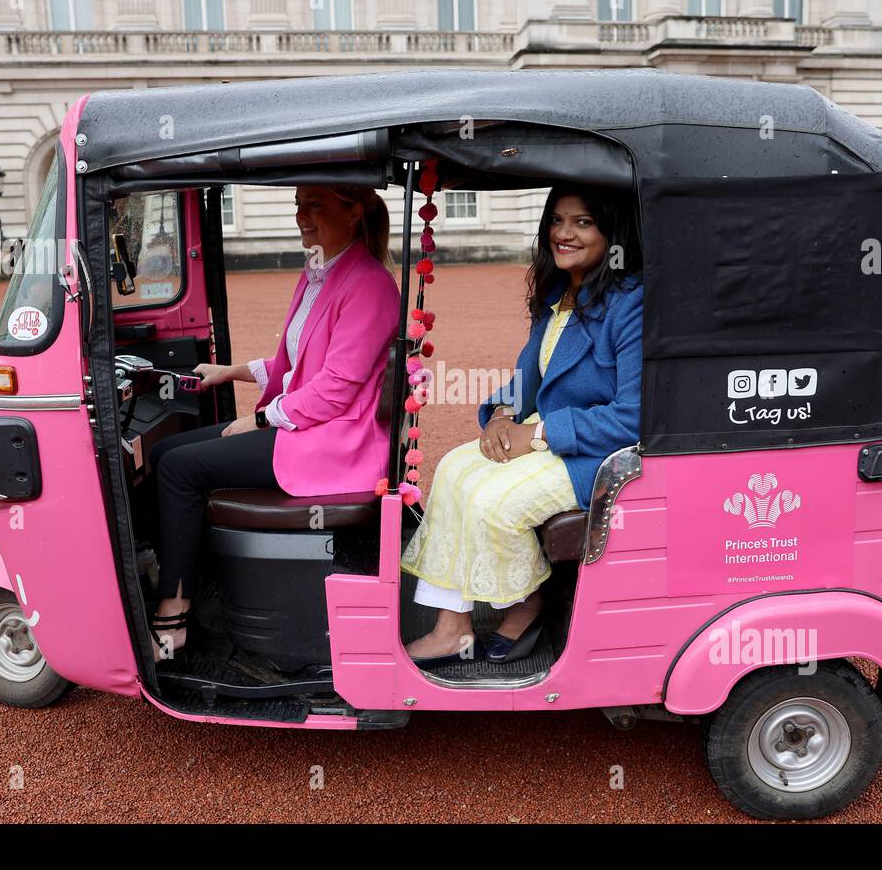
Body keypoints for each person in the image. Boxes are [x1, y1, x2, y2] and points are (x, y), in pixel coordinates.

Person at [145, 185, 399, 661]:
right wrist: (230, 372)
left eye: (316, 204)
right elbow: (293, 362)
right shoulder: (320, 271)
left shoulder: (368, 283)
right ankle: (190, 576)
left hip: (335, 440)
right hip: (308, 422)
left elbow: (337, 388)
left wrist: (261, 419)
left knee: (180, 469)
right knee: (162, 455)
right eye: (299, 205)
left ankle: (174, 612)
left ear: (354, 211)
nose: (302, 216)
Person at [400, 186, 643, 667]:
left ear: (613, 234)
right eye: (557, 220)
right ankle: (452, 628)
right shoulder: (559, 293)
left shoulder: (630, 302)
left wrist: (535, 435)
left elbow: (633, 416)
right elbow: (530, 378)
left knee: (493, 501)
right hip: (546, 433)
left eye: (583, 222)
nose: (564, 233)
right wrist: (503, 415)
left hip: (598, 453)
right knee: (453, 469)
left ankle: (528, 604)